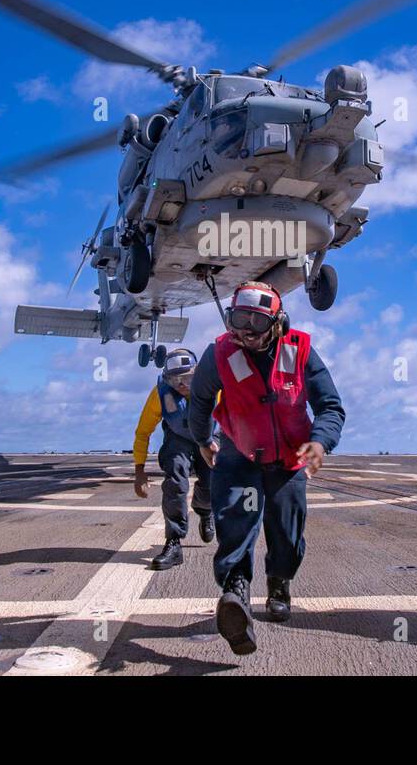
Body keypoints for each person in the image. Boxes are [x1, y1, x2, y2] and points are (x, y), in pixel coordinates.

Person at [187, 280, 345, 656]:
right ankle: (236, 594)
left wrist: (320, 442)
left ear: (278, 323)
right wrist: (203, 439)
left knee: (287, 533)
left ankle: (279, 584)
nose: (245, 331)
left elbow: (331, 407)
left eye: (256, 322)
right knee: (236, 524)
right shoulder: (219, 354)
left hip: (288, 460)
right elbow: (200, 399)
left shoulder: (300, 350)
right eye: (238, 319)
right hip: (239, 456)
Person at [131, 348, 214, 570]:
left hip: (210, 437)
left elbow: (239, 414)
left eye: (187, 378)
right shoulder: (160, 394)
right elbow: (143, 432)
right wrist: (139, 470)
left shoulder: (215, 387)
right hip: (179, 438)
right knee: (175, 479)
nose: (182, 384)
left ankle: (205, 511)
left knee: (211, 483)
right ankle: (174, 542)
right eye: (175, 379)